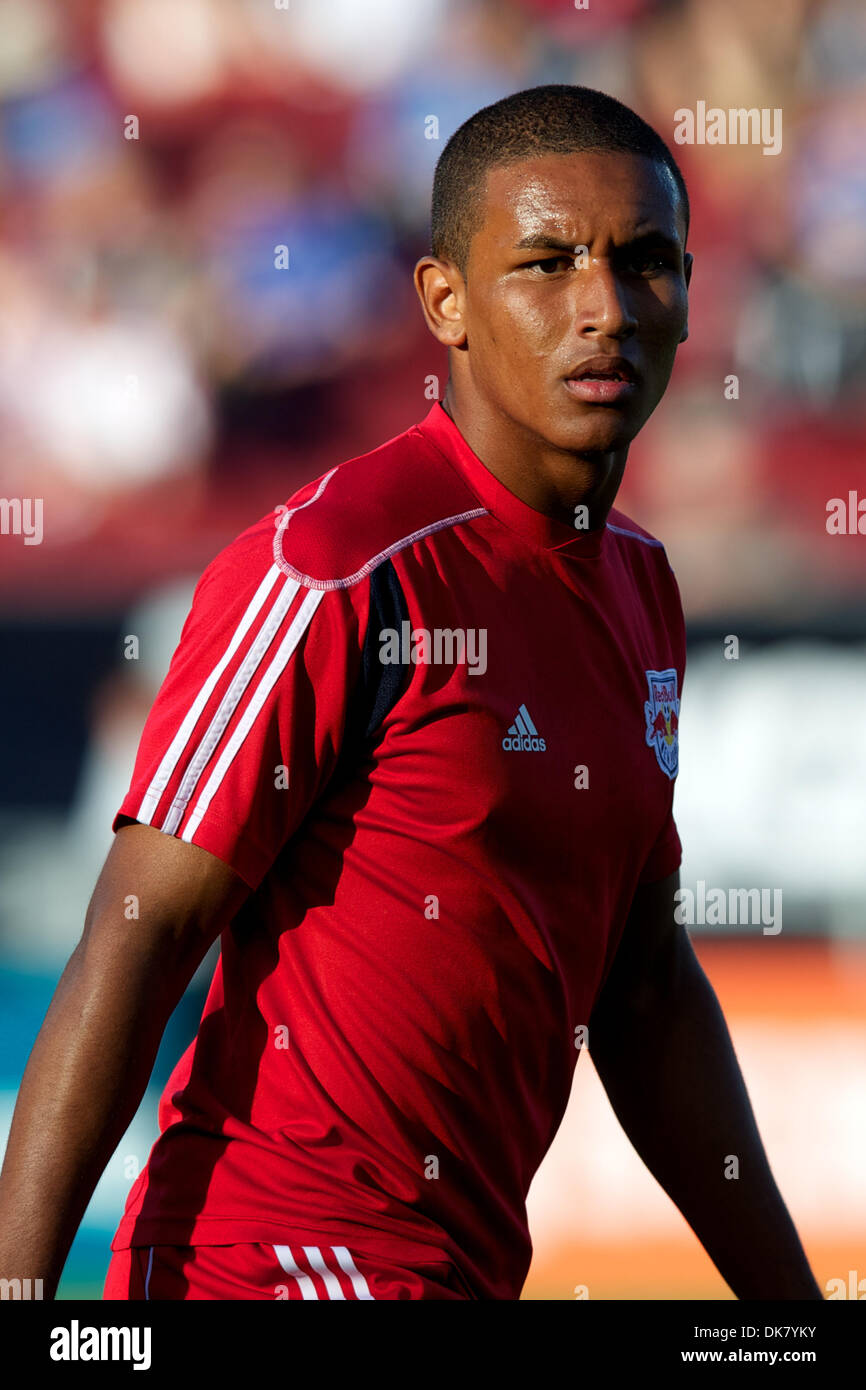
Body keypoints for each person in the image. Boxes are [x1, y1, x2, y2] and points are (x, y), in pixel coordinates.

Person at [0, 84, 822, 1301]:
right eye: (545, 265)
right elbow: (140, 929)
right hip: (269, 1263)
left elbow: (641, 985)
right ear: (444, 301)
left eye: (644, 262)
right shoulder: (337, 565)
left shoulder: (641, 587)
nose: (602, 309)